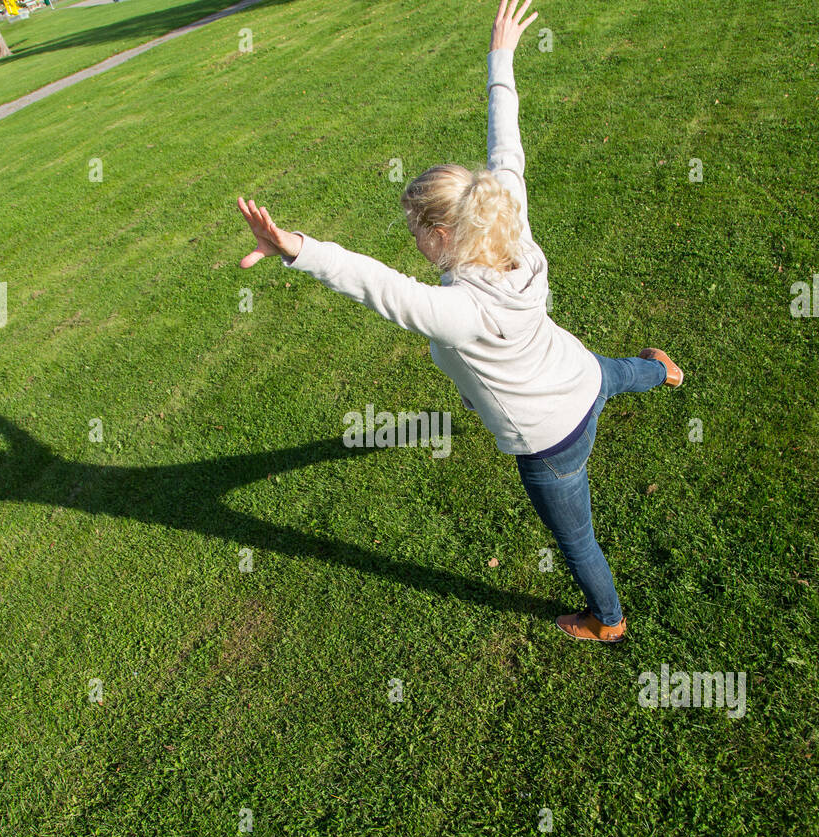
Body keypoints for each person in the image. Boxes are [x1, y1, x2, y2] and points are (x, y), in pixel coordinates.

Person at [235, 0, 683, 644]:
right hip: (579, 371)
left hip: (548, 440)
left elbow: (376, 286)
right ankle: (661, 371)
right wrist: (501, 57)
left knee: (577, 536)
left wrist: (297, 248)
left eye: (416, 229)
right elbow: (508, 142)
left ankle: (607, 621)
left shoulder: (457, 312)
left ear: (442, 235)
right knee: (618, 376)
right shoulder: (509, 218)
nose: (410, 237)